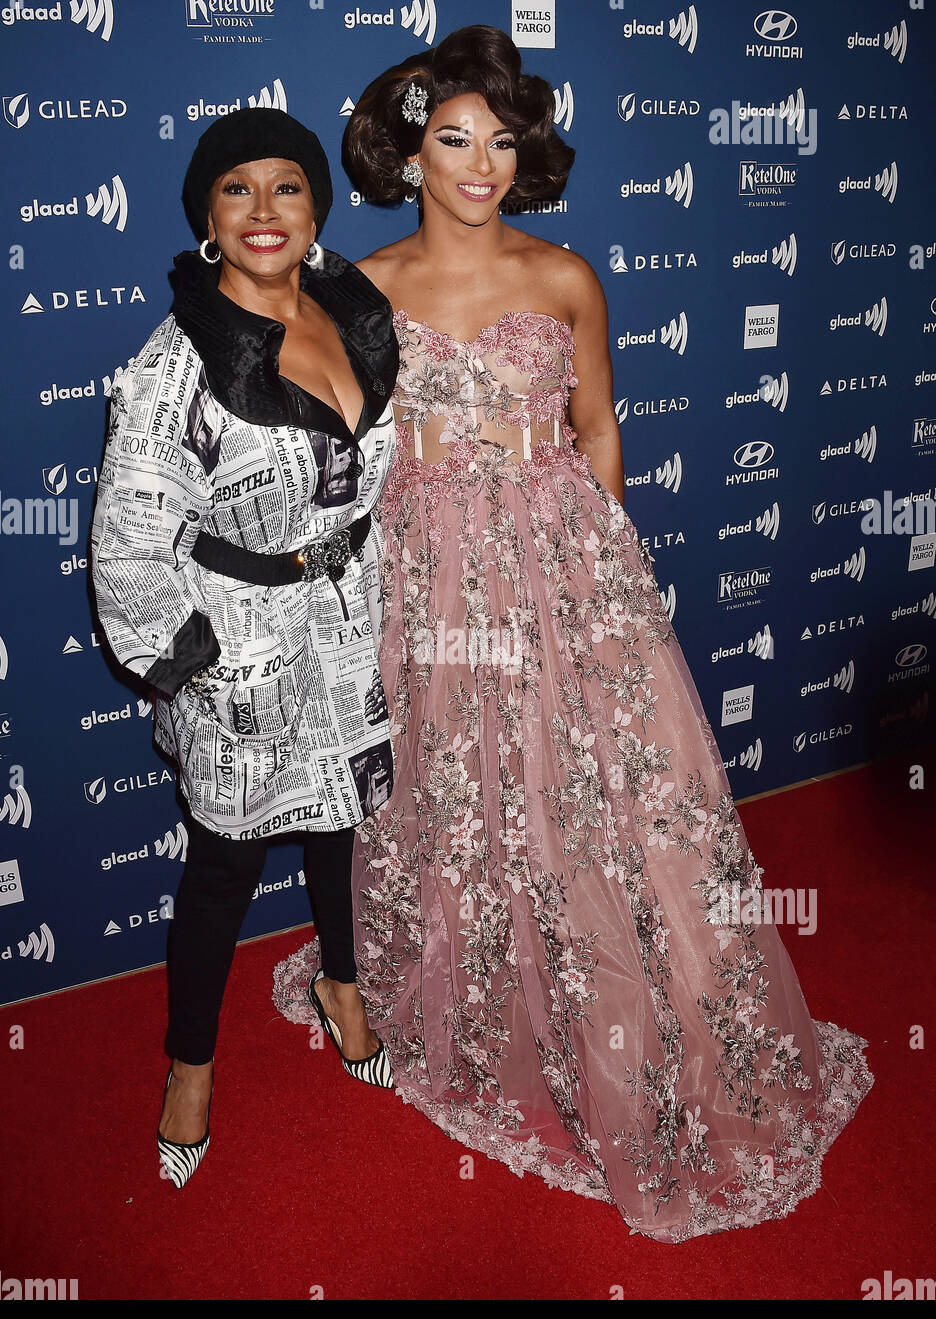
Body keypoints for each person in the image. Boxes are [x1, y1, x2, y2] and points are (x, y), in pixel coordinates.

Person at [273, 26, 873, 1242]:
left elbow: (599, 427)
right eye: (454, 139)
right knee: (455, 794)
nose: (481, 163)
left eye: (502, 141)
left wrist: (596, 552)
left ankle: (649, 1026)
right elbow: (333, 444)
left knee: (610, 805)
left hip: (562, 568)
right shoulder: (364, 289)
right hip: (430, 575)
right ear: (408, 149)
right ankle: (483, 992)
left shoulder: (565, 276)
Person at [91, 108, 398, 1189]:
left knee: (339, 825)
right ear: (206, 215)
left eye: (287, 186)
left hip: (348, 624)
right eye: (237, 189)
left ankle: (343, 989)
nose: (265, 209)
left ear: (317, 207)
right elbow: (130, 539)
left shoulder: (355, 311)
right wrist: (193, 666)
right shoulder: (177, 362)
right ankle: (189, 1066)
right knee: (222, 865)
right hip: (244, 646)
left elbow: (371, 471)